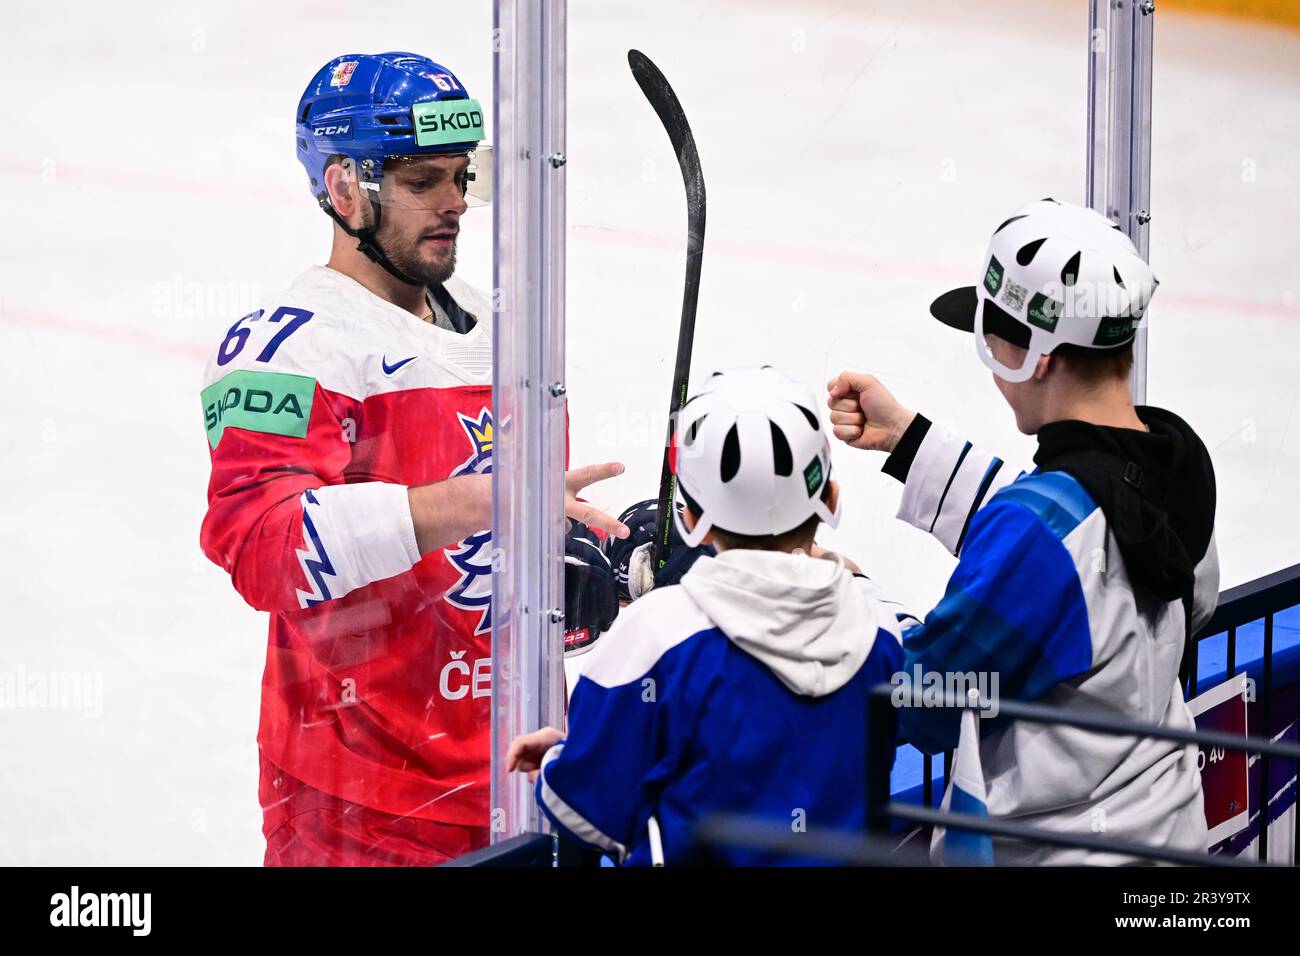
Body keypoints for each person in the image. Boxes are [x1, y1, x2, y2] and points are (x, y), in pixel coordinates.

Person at [199, 52, 627, 866]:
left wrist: (601, 563)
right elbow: (261, 545)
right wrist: (476, 503)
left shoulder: (505, 331)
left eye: (463, 176)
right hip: (359, 806)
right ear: (343, 188)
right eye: (423, 180)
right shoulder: (289, 348)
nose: (457, 202)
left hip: (521, 772)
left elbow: (500, 558)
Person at [828, 198, 1218, 864]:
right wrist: (911, 442)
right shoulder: (1176, 462)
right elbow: (1078, 538)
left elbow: (925, 698)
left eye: (993, 340)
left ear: (1037, 357)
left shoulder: (1042, 535)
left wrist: (856, 594)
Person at [509, 367, 907, 865]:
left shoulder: (656, 633)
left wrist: (560, 760)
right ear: (829, 499)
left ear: (689, 519)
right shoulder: (880, 627)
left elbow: (588, 809)